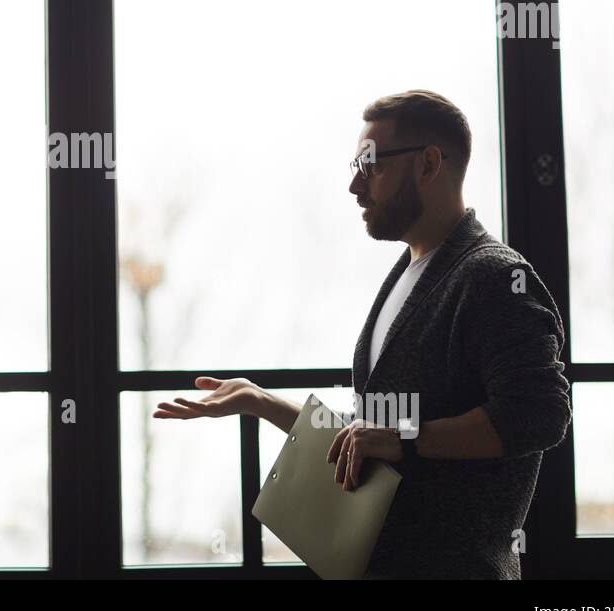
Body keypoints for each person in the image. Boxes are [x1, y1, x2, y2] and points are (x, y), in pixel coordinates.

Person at [156, 89, 571, 579]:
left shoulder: (492, 277)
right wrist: (261, 402)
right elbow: (373, 436)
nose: (355, 184)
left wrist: (407, 437)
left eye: (369, 163)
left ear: (428, 164)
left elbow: (539, 414)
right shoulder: (408, 274)